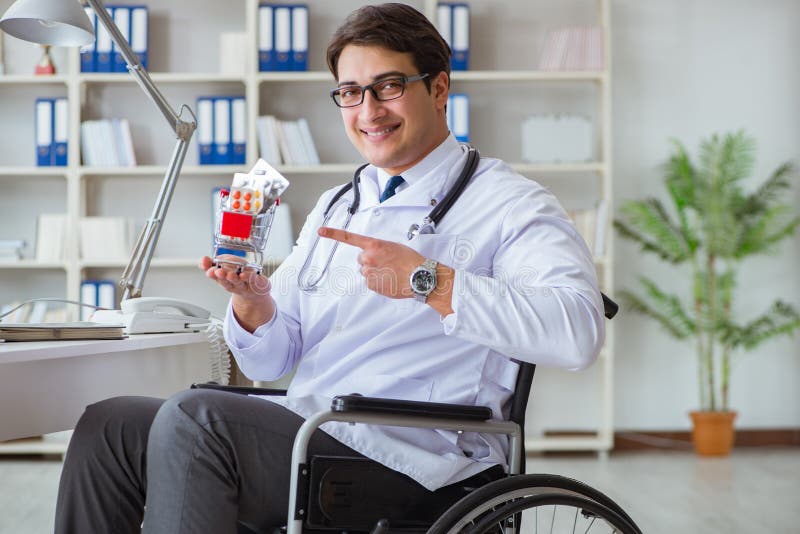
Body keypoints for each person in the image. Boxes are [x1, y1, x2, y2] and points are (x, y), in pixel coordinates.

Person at [54, 4, 604, 533]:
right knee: (110, 426)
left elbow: (578, 332)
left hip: (417, 459)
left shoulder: (511, 203)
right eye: (350, 92)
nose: (369, 111)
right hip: (316, 430)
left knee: (198, 420)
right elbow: (275, 359)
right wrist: (253, 306)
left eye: (389, 86)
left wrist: (427, 280)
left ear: (439, 88)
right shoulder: (339, 203)